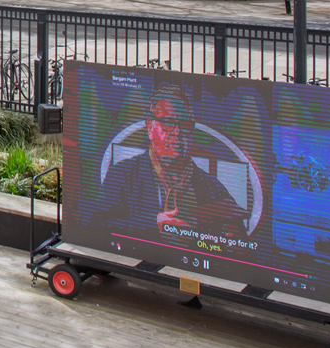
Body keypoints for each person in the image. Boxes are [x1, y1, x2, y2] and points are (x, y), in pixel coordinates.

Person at [102, 83, 246, 237]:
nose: (177, 132)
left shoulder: (214, 188)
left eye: (184, 125)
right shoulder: (123, 174)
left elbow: (241, 244)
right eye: (168, 123)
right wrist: (153, 224)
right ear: (150, 127)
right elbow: (97, 224)